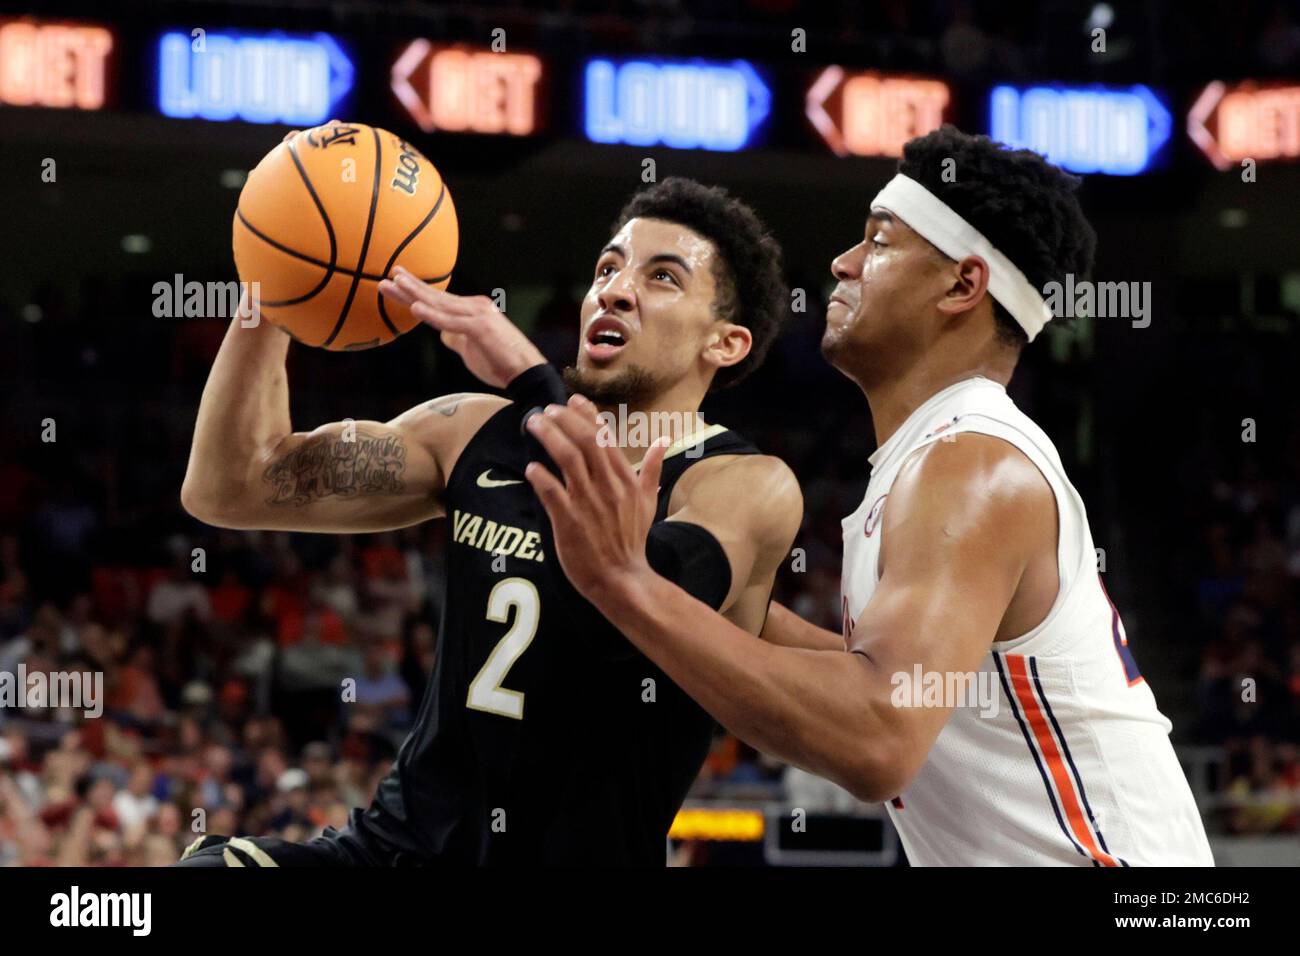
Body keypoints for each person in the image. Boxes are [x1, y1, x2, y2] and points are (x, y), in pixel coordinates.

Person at [516, 127, 1215, 866]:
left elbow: (876, 736)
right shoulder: (936, 455)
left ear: (962, 285)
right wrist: (704, 582)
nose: (843, 263)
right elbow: (888, 676)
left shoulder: (969, 465)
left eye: (877, 243)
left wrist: (624, 584)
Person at [177, 177, 803, 865]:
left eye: (662, 278)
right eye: (608, 267)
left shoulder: (742, 486)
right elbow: (230, 487)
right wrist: (274, 286)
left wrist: (539, 387)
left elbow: (626, 604)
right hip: (395, 851)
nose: (616, 290)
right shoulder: (474, 429)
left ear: (726, 343)